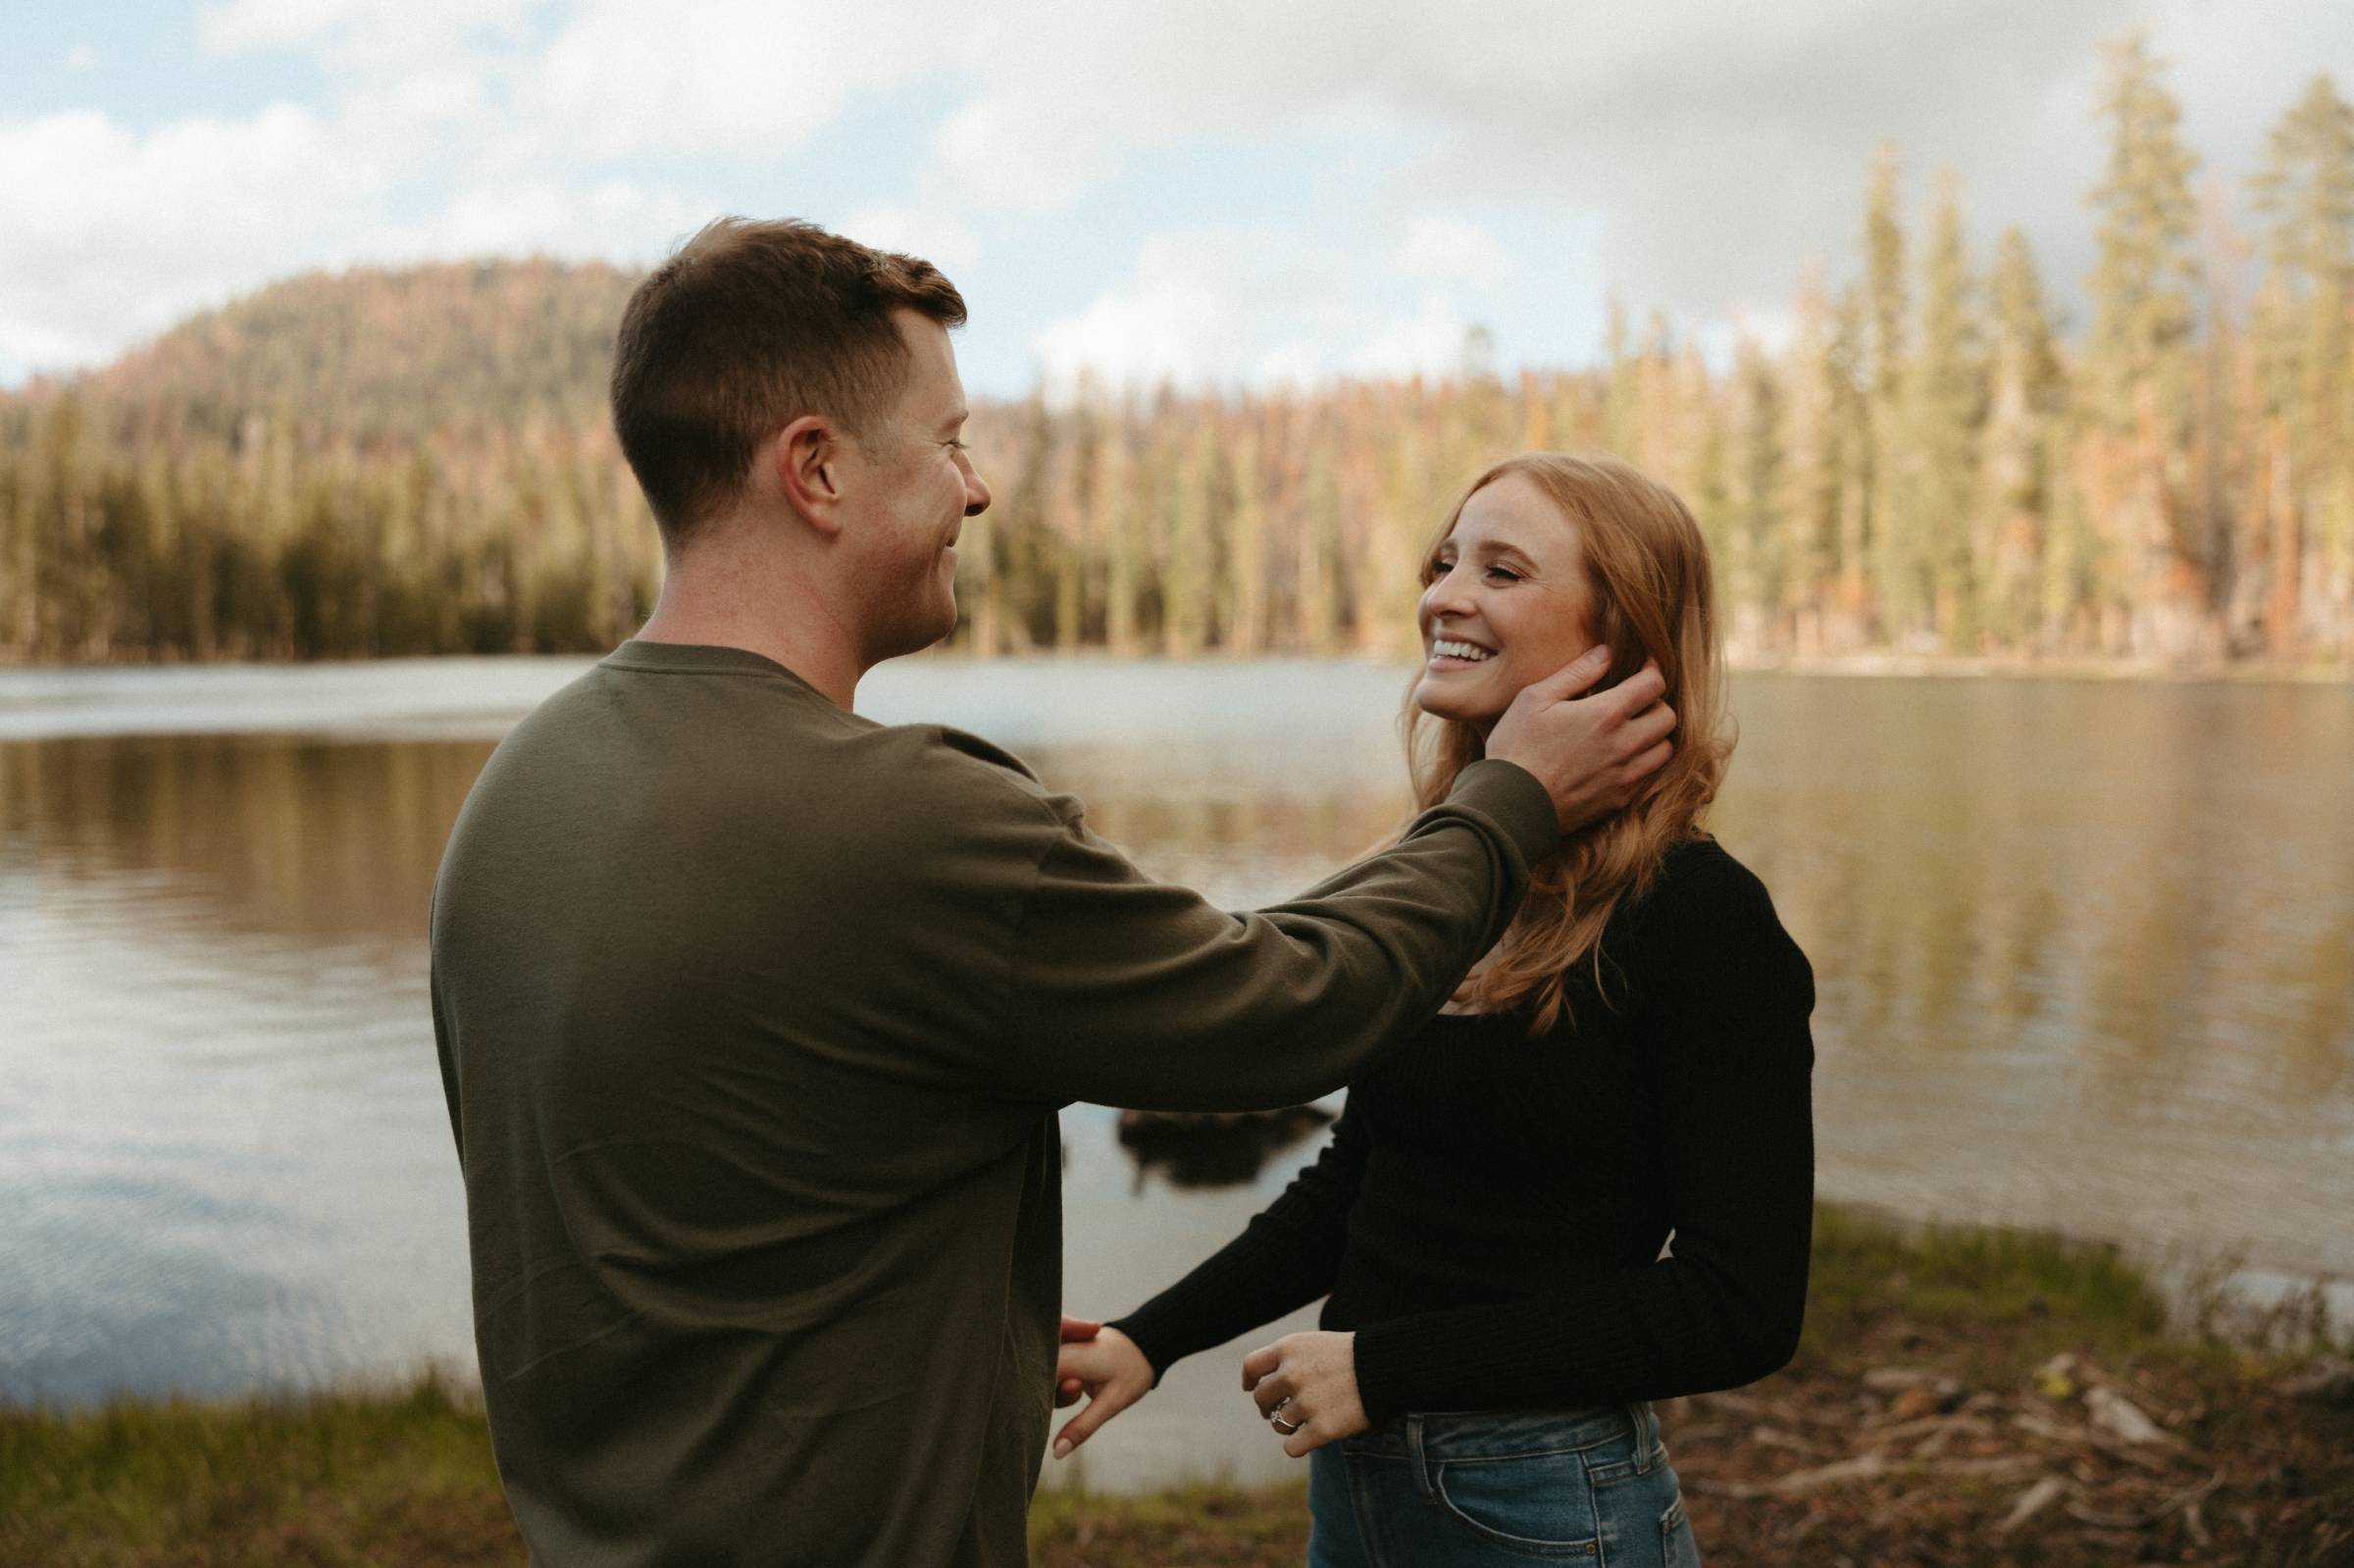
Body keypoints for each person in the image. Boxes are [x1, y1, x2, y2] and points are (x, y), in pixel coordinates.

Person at [428, 221, 1676, 1568]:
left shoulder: (521, 788)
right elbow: (1289, 1003)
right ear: (817, 469)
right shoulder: (908, 824)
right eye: (948, 439)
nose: (978, 489)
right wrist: (1514, 800)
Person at [1052, 453, 1816, 1567]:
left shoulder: (1700, 916)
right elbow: (1361, 1181)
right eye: (1446, 560)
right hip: (1360, 1489)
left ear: (1626, 638)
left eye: (1503, 571)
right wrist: (1149, 1338)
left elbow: (1740, 1305)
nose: (1445, 595)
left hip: (1547, 1504)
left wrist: (1385, 1367)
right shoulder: (1453, 883)